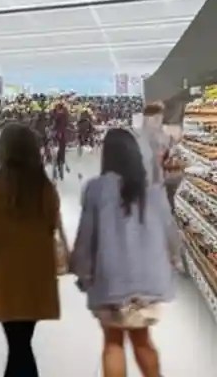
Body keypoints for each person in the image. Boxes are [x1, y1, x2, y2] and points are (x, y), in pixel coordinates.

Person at [71, 128, 179, 377]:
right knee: (143, 341)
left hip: (111, 282)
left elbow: (87, 237)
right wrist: (173, 261)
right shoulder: (153, 189)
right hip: (148, 283)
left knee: (113, 343)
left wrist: (82, 273)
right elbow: (170, 234)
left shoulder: (96, 189)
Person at [0, 123, 63, 377]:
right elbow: (51, 226)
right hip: (38, 276)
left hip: (7, 278)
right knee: (21, 343)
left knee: (18, 345)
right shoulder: (46, 189)